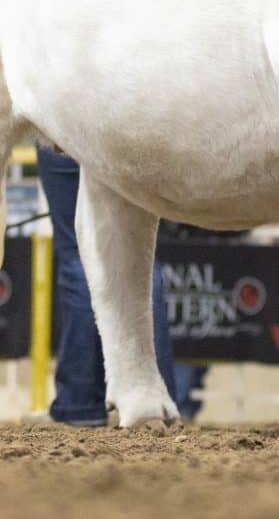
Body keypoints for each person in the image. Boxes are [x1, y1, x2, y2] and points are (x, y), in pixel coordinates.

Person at [35, 146, 181, 427]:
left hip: (67, 128)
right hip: (129, 133)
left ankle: (80, 404)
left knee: (78, 256)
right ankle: (154, 400)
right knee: (139, 254)